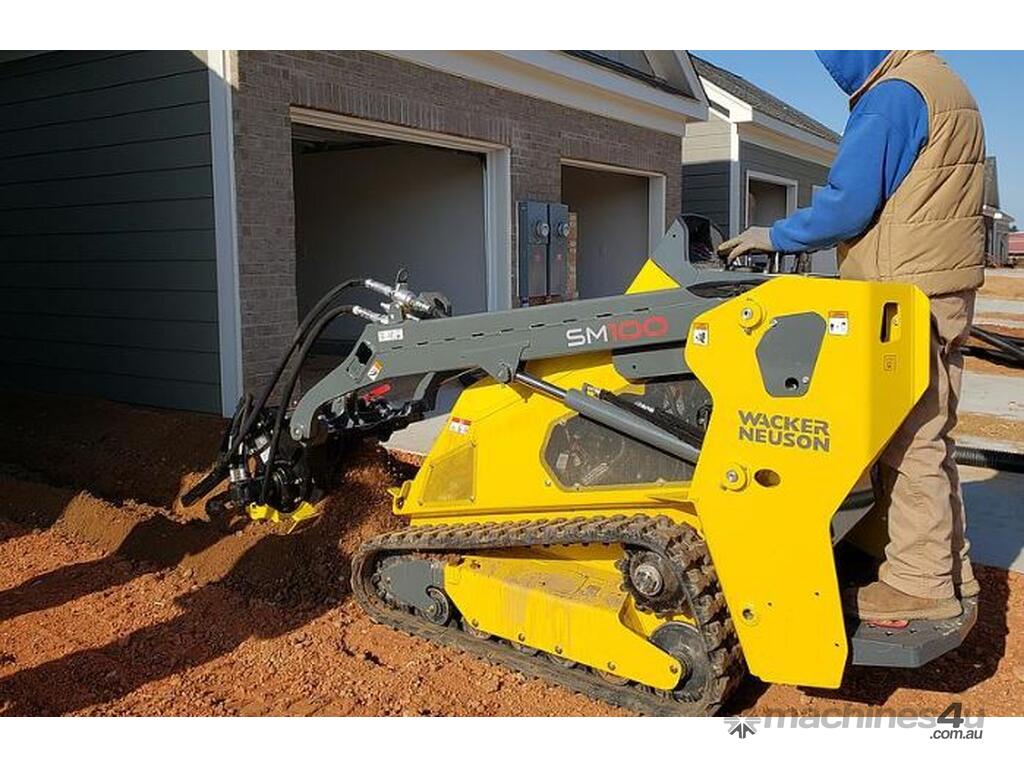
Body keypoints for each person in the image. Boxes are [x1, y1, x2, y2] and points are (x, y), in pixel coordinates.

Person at [719, 51, 986, 621]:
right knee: (931, 432)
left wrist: (775, 235)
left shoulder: (894, 95)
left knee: (906, 438)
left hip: (904, 296)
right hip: (940, 288)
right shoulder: (941, 82)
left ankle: (920, 585)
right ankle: (945, 566)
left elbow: (848, 205)